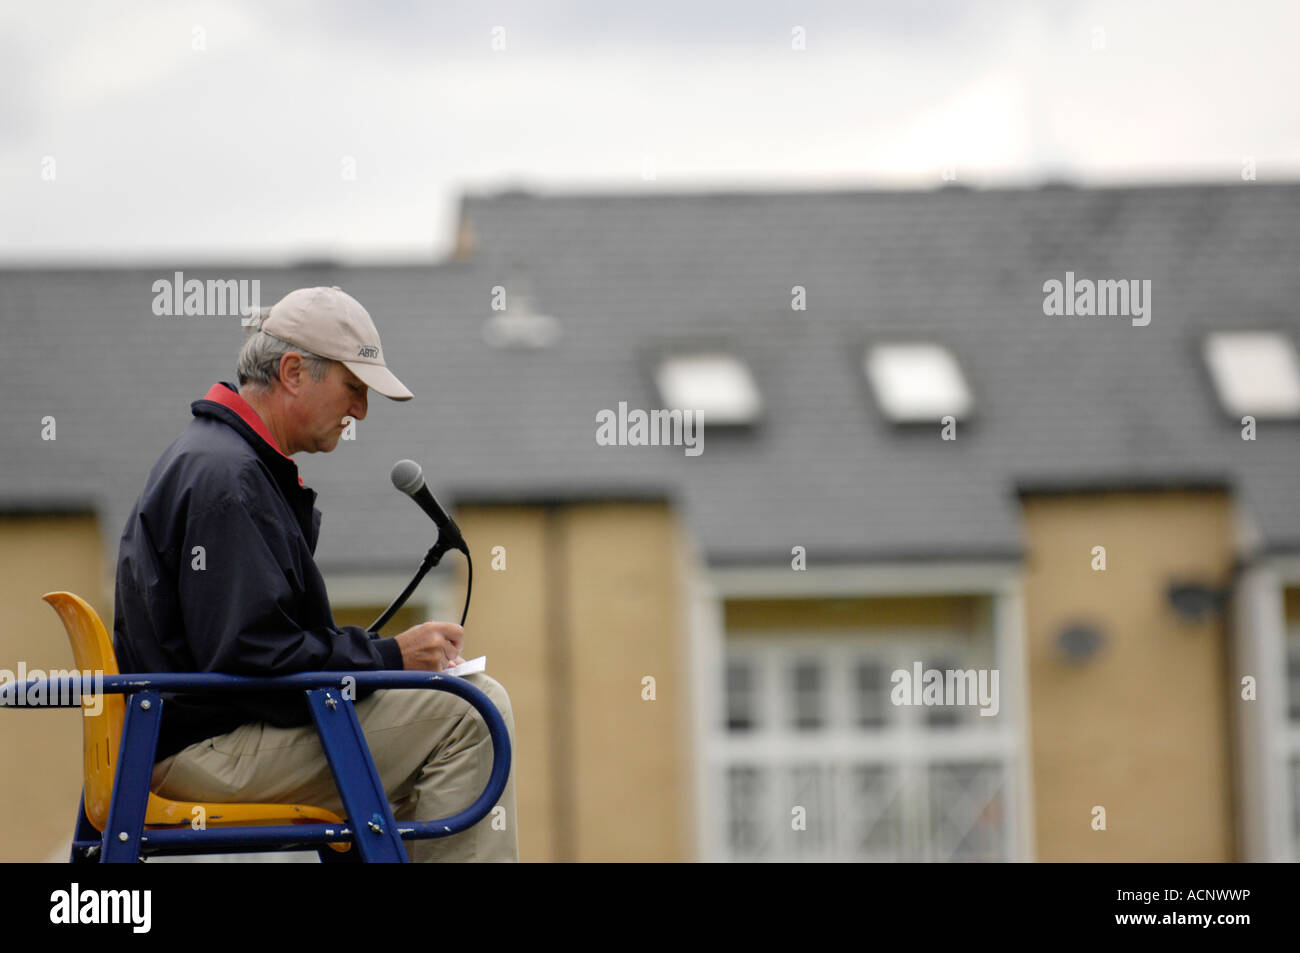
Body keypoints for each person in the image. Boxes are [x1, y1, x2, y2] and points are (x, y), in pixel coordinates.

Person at [112, 285, 518, 862]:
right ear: (295, 372)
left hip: (184, 740)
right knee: (473, 709)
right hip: (199, 755)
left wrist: (381, 661)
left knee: (441, 734)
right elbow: (253, 659)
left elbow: (253, 650)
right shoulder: (229, 480)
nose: (361, 411)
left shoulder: (220, 461)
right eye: (354, 388)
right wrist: (390, 659)